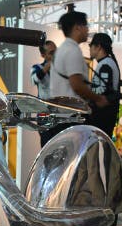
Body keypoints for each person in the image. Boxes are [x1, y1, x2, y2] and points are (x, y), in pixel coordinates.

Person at [45, 10, 109, 146]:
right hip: (71, 115)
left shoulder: (62, 50)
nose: (87, 30)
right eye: (86, 26)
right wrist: (98, 99)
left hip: (61, 113)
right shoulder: (72, 50)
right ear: (77, 28)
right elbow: (77, 85)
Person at [87, 32, 121, 138]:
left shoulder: (105, 64)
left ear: (98, 47)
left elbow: (103, 89)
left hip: (103, 116)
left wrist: (86, 91)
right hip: (105, 115)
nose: (89, 49)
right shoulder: (107, 62)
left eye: (90, 46)